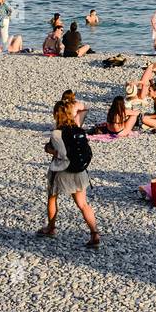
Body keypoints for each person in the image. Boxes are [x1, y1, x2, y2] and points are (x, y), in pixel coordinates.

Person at [40, 100, 100, 248]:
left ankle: (51, 228)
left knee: (52, 198)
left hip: (62, 171)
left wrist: (48, 149)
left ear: (56, 115)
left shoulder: (57, 133)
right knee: (83, 204)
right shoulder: (78, 129)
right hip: (79, 171)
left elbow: (59, 153)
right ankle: (95, 233)